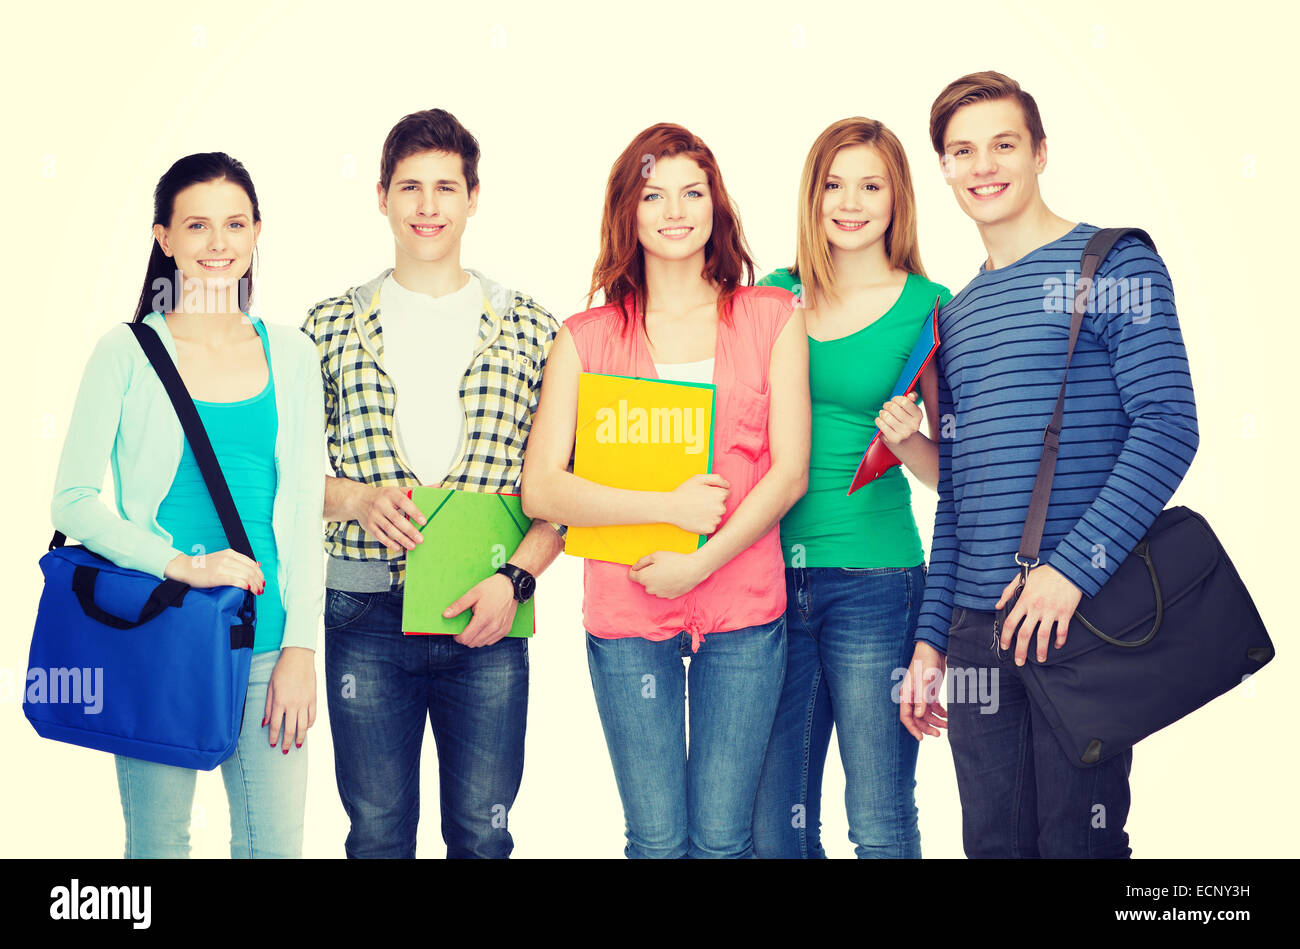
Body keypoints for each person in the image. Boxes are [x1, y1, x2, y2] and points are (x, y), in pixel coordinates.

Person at [899, 71, 1199, 858]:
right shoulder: (955, 315)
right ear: (944, 167)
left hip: (1082, 613)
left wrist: (1069, 572)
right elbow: (959, 494)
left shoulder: (1114, 265)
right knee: (993, 847)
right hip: (974, 630)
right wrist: (933, 636)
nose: (982, 165)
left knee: (1080, 845)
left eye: (1002, 144)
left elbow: (1168, 427)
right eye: (961, 150)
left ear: (1039, 152)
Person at [521, 122, 810, 859]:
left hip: (743, 603)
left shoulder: (772, 317)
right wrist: (666, 510)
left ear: (716, 204)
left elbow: (789, 473)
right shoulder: (584, 337)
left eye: (692, 191)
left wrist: (699, 561)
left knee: (721, 838)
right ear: (629, 210)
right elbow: (542, 489)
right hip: (626, 607)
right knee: (655, 839)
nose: (675, 210)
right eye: (654, 194)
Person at [301, 108, 565, 859]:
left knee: (483, 836)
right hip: (364, 610)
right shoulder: (325, 326)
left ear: (473, 197)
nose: (427, 206)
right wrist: (353, 498)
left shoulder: (533, 329)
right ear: (380, 195)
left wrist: (515, 581)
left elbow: (562, 493)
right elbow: (281, 476)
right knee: (378, 834)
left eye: (445, 187)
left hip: (487, 610)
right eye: (409, 187)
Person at [50, 152, 325, 858]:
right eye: (197, 225)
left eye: (235, 223)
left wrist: (300, 647)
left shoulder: (292, 353)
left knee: (273, 847)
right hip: (162, 633)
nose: (218, 243)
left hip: (267, 645)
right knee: (158, 847)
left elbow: (301, 509)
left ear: (258, 230)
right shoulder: (127, 351)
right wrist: (182, 564)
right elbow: (73, 500)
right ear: (163, 237)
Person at [751, 118, 951, 859]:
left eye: (871, 185)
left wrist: (908, 441)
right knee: (774, 827)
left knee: (879, 817)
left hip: (878, 581)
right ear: (812, 194)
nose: (851, 202)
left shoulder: (928, 304)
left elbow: (947, 474)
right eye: (834, 183)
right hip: (769, 580)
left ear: (897, 198)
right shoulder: (774, 296)